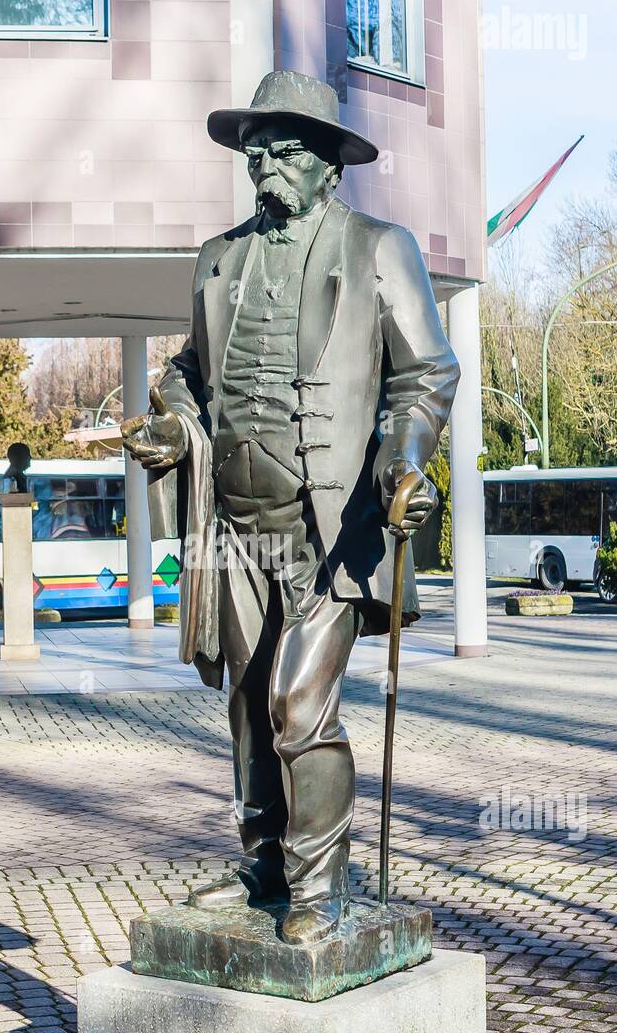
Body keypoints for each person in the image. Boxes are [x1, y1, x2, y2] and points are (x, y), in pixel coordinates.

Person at [122, 71, 460, 946]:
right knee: (244, 703)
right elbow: (187, 376)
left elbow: (424, 376)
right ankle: (264, 861)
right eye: (257, 148)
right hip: (234, 529)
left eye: (288, 148)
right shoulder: (218, 259)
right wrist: (171, 429)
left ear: (327, 168)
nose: (267, 161)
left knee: (296, 708)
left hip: (333, 536)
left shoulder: (378, 247)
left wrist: (406, 460)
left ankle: (320, 884)